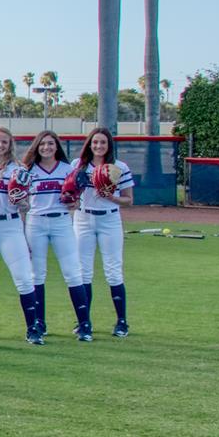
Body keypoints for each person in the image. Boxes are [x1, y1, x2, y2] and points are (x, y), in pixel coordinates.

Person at [0, 127, 44, 345]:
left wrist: (22, 203)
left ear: (10, 144)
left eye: (4, 142)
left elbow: (26, 204)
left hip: (10, 225)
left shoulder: (18, 169)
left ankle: (32, 328)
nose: (0, 145)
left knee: (24, 277)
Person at [22, 129, 95, 341]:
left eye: (51, 144)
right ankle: (39, 322)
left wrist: (74, 201)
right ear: (37, 147)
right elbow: (21, 202)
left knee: (73, 272)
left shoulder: (67, 169)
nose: (46, 147)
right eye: (43, 144)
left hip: (61, 221)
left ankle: (84, 323)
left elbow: (76, 201)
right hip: (35, 222)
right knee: (36, 274)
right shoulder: (28, 170)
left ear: (57, 147)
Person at [72, 126, 136, 337]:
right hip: (83, 218)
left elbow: (129, 200)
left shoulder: (119, 166)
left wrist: (111, 197)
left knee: (113, 270)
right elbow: (69, 193)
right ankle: (84, 322)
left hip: (109, 219)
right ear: (89, 144)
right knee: (83, 271)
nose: (98, 146)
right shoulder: (78, 165)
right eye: (95, 142)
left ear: (109, 145)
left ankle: (122, 321)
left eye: (103, 142)